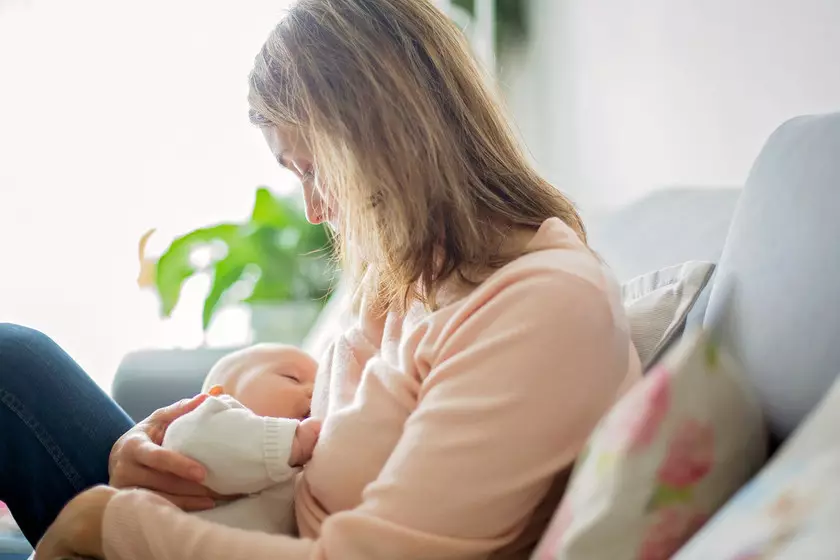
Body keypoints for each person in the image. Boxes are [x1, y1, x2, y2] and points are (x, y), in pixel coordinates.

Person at [1, 0, 642, 558]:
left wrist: (109, 523)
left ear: (388, 141)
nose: (313, 210)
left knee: (11, 366)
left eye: (314, 168)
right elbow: (312, 433)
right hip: (253, 521)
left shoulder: (543, 312)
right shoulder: (416, 271)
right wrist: (151, 456)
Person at [162, 344, 322, 534]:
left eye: (321, 386)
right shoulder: (204, 421)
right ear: (217, 396)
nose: (315, 391)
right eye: (292, 378)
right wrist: (292, 443)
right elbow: (187, 442)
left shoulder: (303, 468)